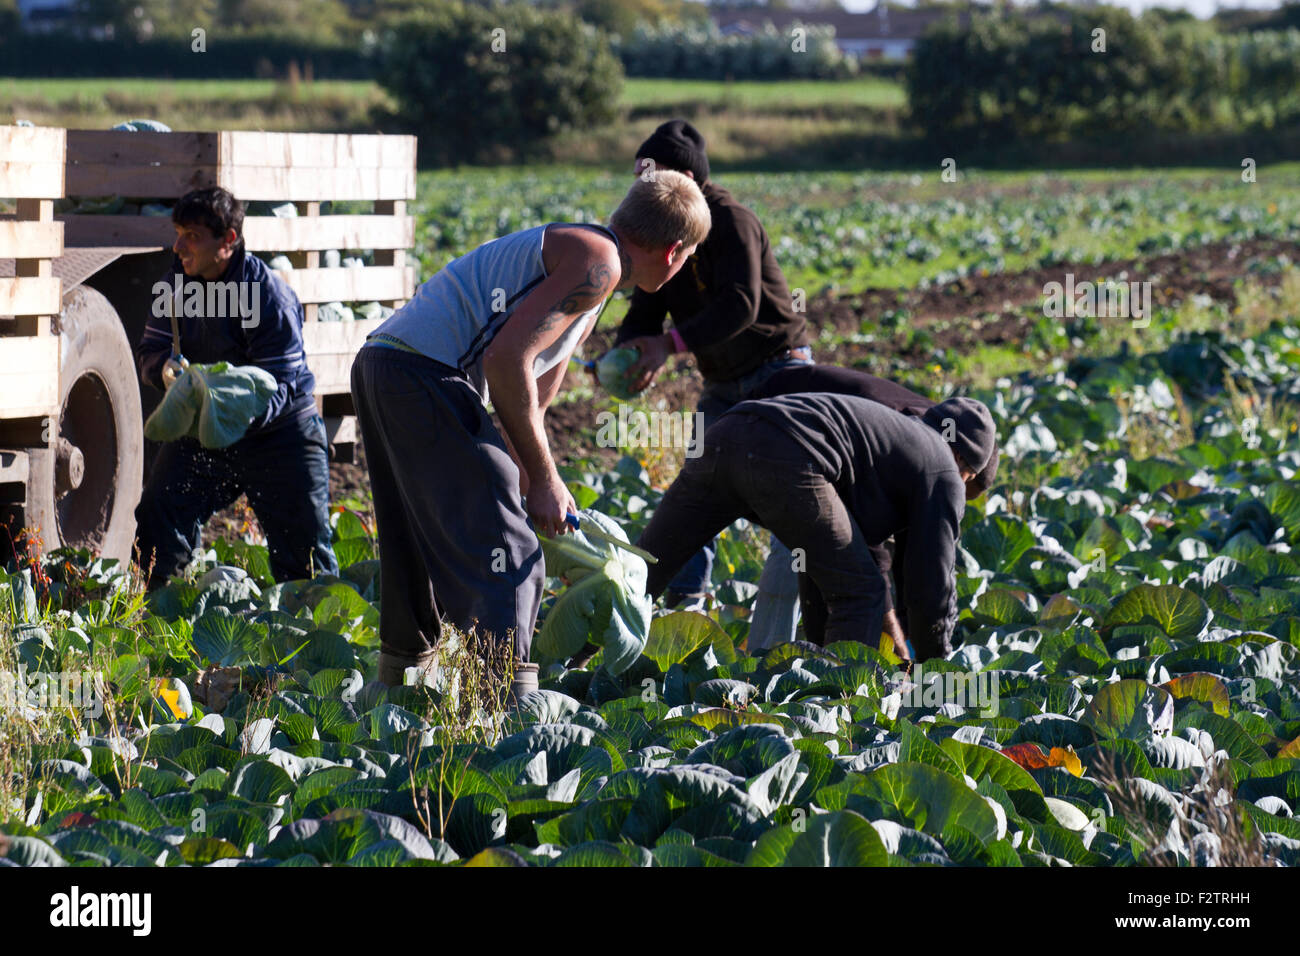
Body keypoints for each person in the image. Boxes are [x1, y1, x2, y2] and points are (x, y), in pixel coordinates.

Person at [351, 171, 711, 694]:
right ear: (675, 251)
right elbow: (504, 362)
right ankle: (501, 714)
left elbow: (534, 401)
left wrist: (534, 484)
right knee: (510, 552)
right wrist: (542, 482)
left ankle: (397, 693)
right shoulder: (598, 264)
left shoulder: (590, 266)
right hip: (424, 377)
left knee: (417, 541)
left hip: (385, 366)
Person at [610, 120, 812, 612]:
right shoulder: (661, 229)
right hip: (722, 381)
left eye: (653, 178)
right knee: (699, 486)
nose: (645, 189)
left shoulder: (733, 221)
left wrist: (670, 344)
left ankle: (788, 623)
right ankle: (687, 607)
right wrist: (625, 353)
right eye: (640, 180)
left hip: (778, 371)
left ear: (686, 180)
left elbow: (740, 305)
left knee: (794, 494)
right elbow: (644, 311)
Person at [635, 392, 997, 663]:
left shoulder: (892, 444)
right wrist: (935, 669)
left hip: (727, 431)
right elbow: (930, 586)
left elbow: (830, 559)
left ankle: (577, 661)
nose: (960, 491)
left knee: (644, 569)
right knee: (859, 596)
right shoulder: (944, 470)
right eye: (968, 483)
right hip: (787, 455)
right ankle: (836, 723)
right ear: (965, 461)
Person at [134, 186, 338, 589]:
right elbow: (150, 350)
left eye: (192, 236)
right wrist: (165, 373)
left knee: (306, 559)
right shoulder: (175, 284)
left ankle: (311, 640)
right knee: (160, 514)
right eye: (177, 233)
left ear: (228, 240)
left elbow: (281, 383)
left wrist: (235, 413)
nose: (178, 246)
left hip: (280, 434)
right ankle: (163, 614)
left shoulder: (267, 295)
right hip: (207, 429)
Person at [745, 364, 1000, 655]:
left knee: (837, 568)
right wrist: (891, 627)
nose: (954, 502)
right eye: (960, 489)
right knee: (795, 551)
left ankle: (812, 658)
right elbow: (863, 537)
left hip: (812, 453)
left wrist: (909, 640)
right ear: (960, 461)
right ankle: (764, 661)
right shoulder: (905, 439)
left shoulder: (943, 435)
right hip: (773, 424)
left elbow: (913, 558)